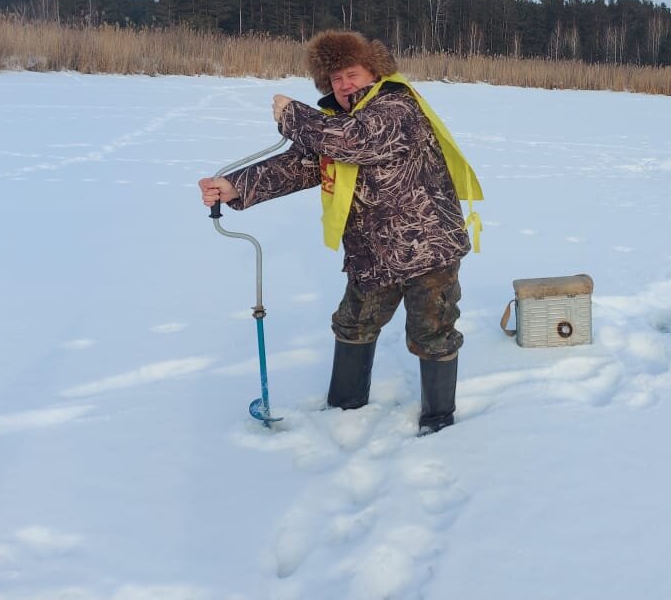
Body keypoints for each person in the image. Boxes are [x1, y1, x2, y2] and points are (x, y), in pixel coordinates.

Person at [198, 30, 482, 434]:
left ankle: (438, 424)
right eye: (335, 79)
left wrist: (293, 116)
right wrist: (234, 186)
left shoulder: (396, 107)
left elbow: (357, 142)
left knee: (432, 333)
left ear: (373, 71)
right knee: (353, 323)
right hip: (372, 251)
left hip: (427, 248)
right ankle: (345, 412)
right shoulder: (336, 122)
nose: (345, 84)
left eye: (352, 74)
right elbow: (301, 166)